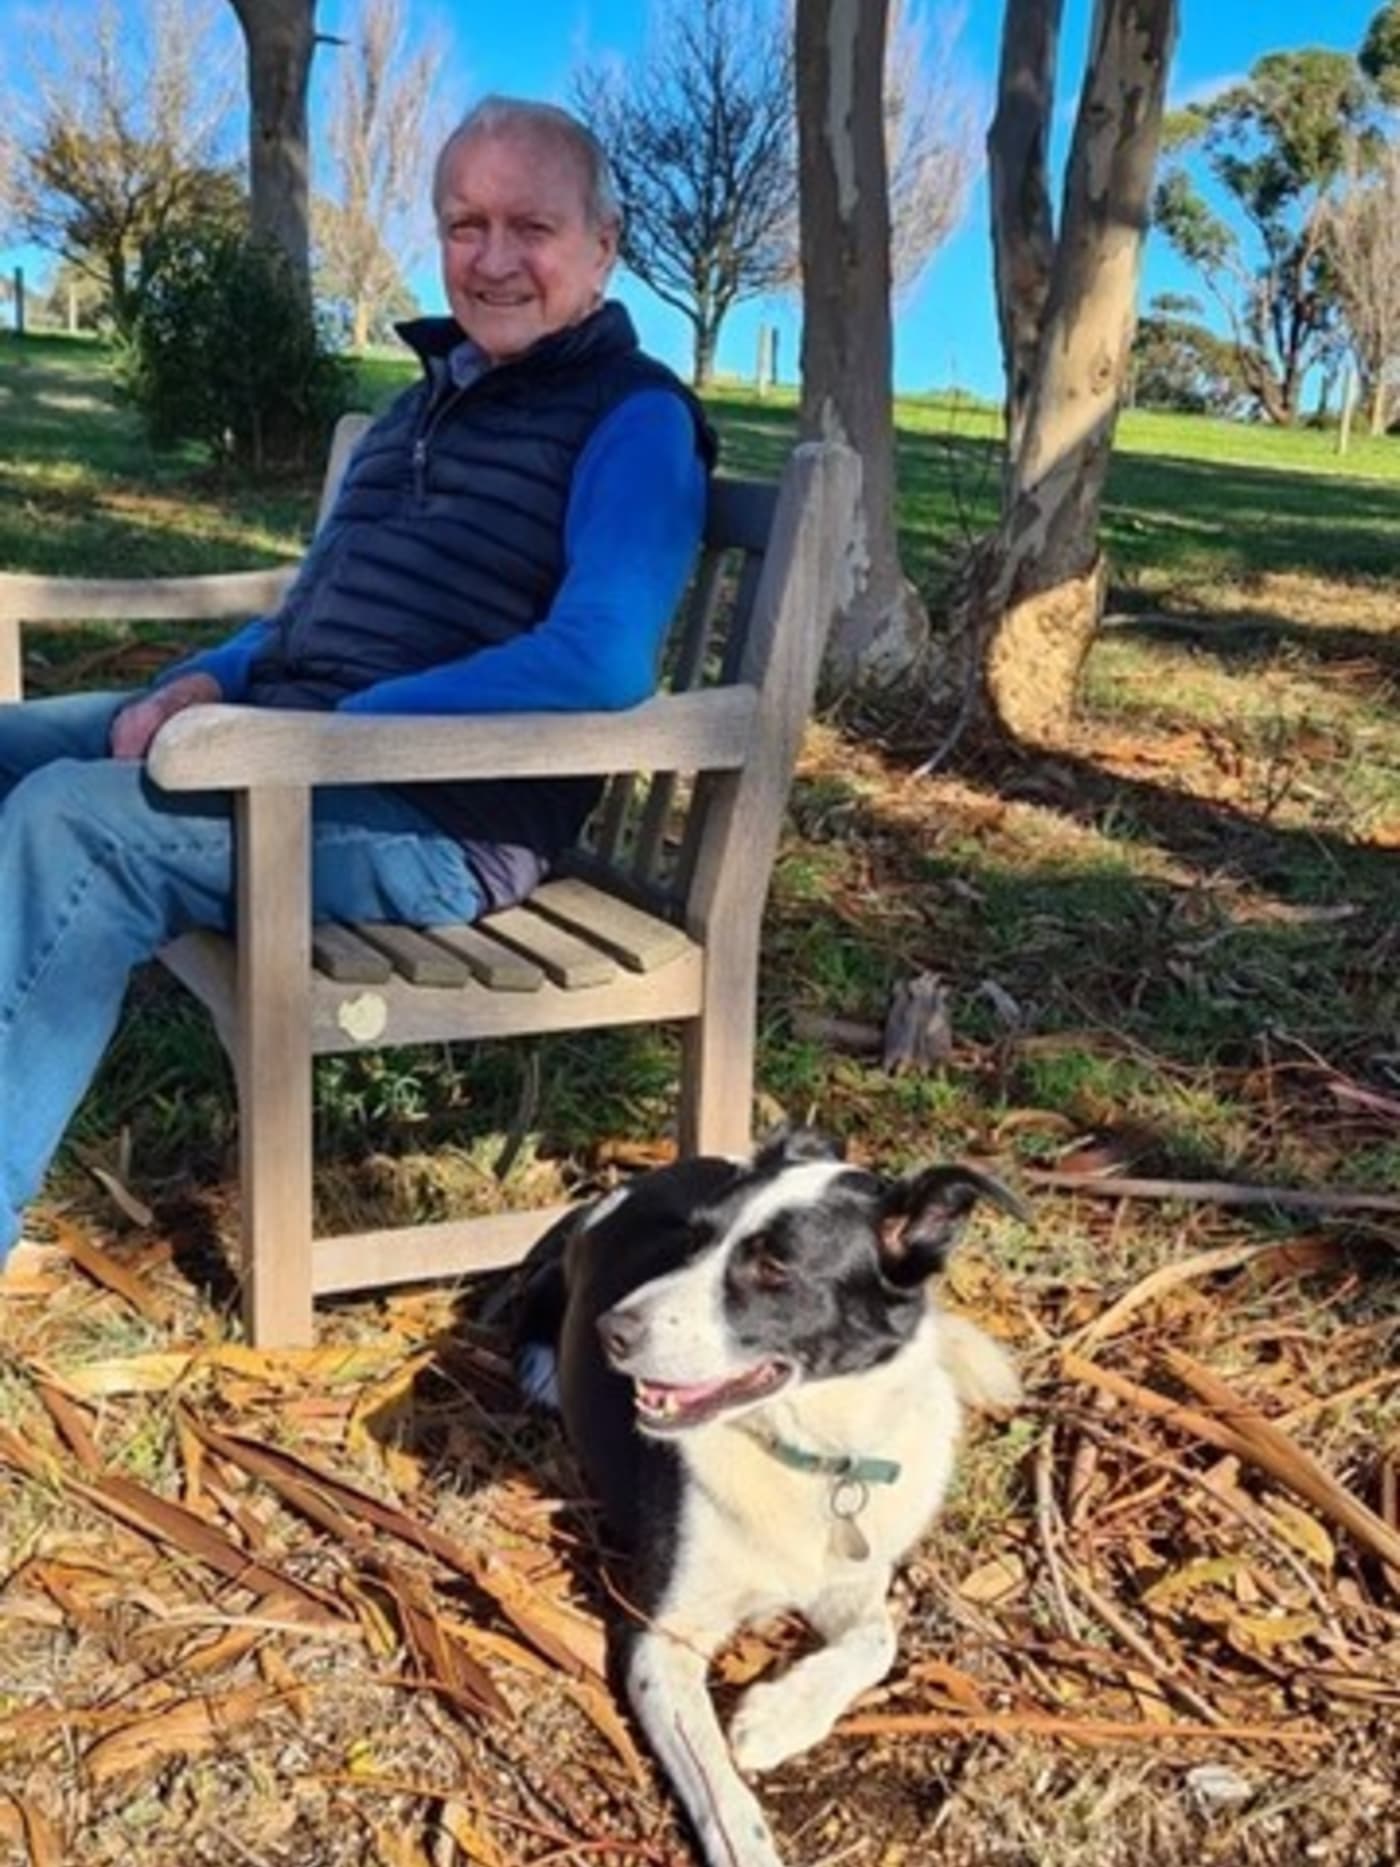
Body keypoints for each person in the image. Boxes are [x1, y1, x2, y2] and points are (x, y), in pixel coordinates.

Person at [0, 96, 714, 1267]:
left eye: (528, 226)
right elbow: (302, 622)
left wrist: (341, 724)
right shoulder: (412, 411)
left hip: (433, 817)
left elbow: (600, 655)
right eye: (462, 223)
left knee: (72, 826)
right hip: (285, 748)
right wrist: (195, 686)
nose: (490, 259)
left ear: (601, 244)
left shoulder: (635, 418)